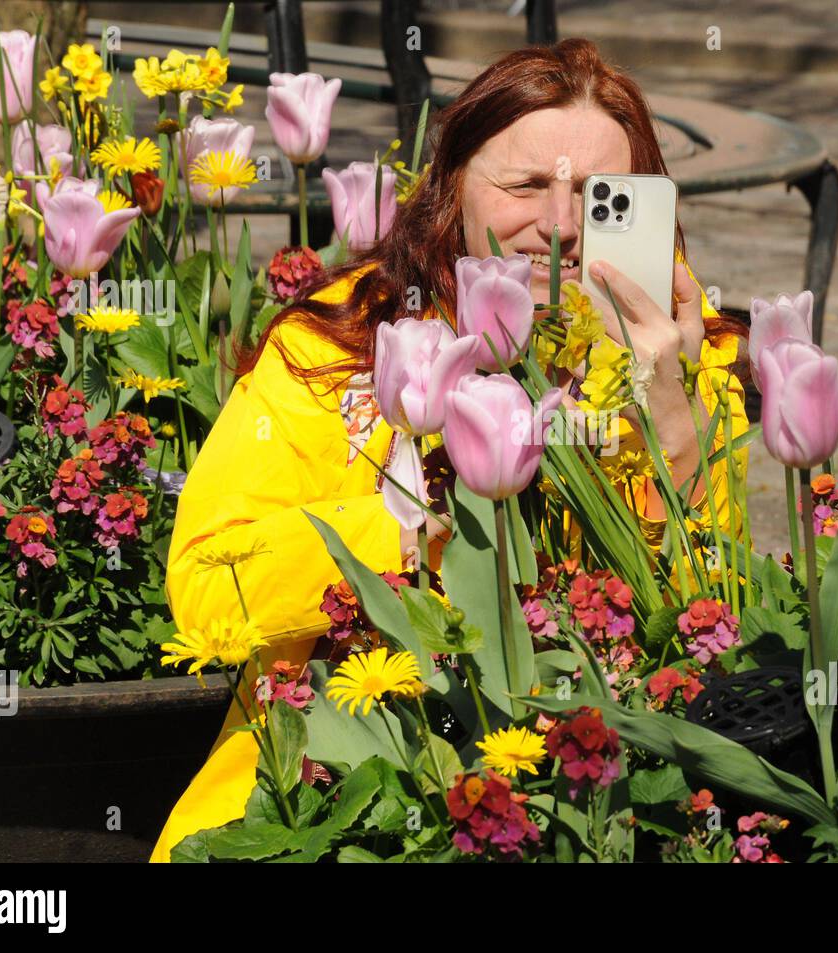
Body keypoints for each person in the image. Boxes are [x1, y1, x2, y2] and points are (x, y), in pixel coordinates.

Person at [149, 37, 751, 862]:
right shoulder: (341, 348)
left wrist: (672, 421)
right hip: (335, 787)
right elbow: (206, 585)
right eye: (526, 185)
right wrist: (415, 531)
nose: (562, 224)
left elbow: (716, 631)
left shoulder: (679, 365)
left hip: (590, 799)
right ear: (452, 189)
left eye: (600, 195)